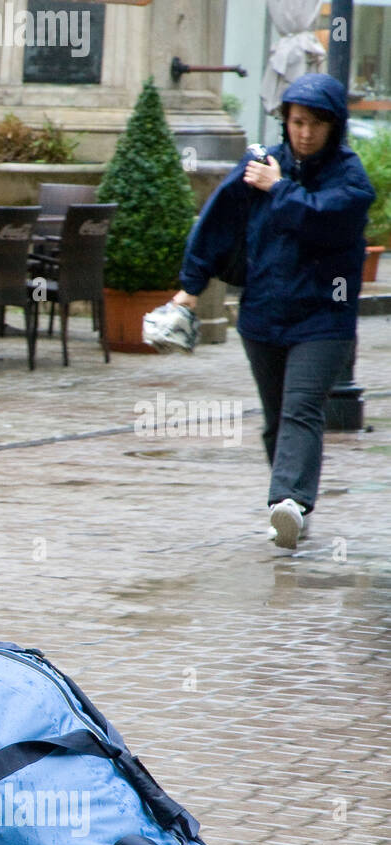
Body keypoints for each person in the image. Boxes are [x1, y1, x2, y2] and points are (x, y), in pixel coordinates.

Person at [173, 73, 374, 551]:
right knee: (275, 418)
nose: (305, 133)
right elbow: (216, 224)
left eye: (316, 124)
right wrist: (189, 288)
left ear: (334, 127)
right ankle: (289, 502)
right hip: (264, 313)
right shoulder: (258, 166)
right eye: (297, 122)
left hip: (325, 318)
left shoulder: (349, 176)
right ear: (285, 121)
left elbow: (330, 221)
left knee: (301, 409)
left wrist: (279, 188)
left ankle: (289, 502)